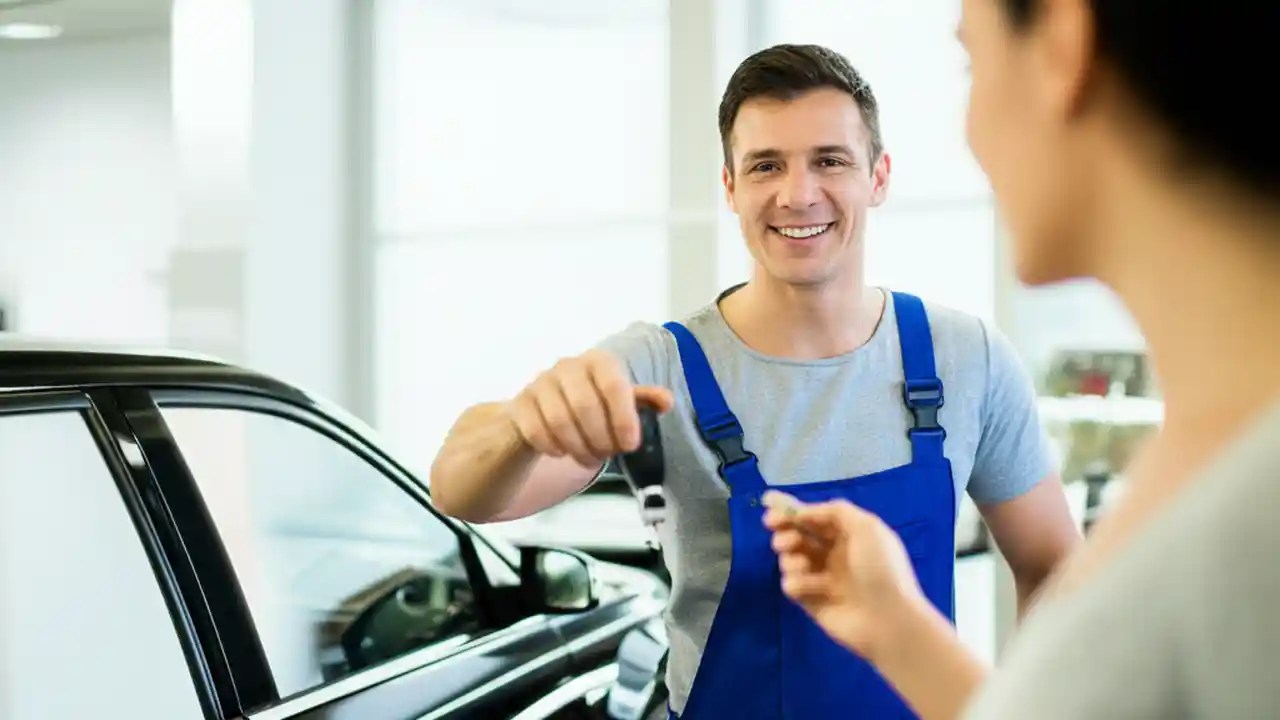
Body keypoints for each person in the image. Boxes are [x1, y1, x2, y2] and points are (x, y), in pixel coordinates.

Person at [430, 43, 1082, 719]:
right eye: (766, 165)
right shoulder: (659, 368)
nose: (798, 194)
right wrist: (522, 424)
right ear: (731, 187)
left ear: (879, 177)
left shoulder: (965, 357)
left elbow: (1055, 565)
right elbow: (458, 488)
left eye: (829, 160)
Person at [764, 0, 1280, 718]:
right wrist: (898, 630)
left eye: (972, 61)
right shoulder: (1216, 458)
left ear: (1063, 43)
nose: (971, 132)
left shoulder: (1246, 519)